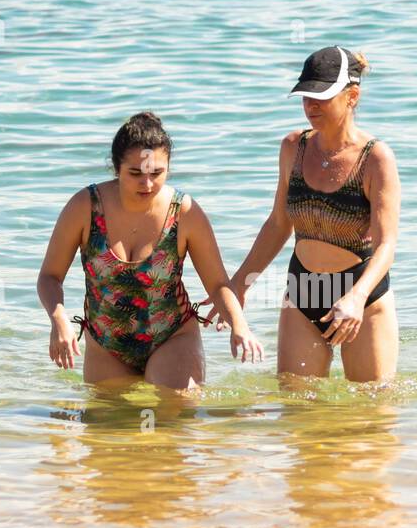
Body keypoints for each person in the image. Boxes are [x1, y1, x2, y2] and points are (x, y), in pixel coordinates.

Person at [202, 46, 401, 383]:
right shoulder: (294, 147)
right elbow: (278, 224)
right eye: (306, 96)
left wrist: (356, 298)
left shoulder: (375, 158)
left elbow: (386, 245)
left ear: (352, 96)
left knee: (372, 419)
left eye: (321, 96)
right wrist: (240, 283)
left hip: (362, 295)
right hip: (303, 290)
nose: (310, 106)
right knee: (297, 413)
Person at [38, 112, 262, 390]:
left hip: (171, 336)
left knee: (175, 417)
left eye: (157, 173)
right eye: (135, 174)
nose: (147, 184)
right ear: (116, 168)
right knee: (107, 429)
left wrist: (240, 325)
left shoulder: (185, 212)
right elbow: (49, 276)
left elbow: (217, 283)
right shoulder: (84, 207)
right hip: (106, 344)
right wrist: (58, 319)